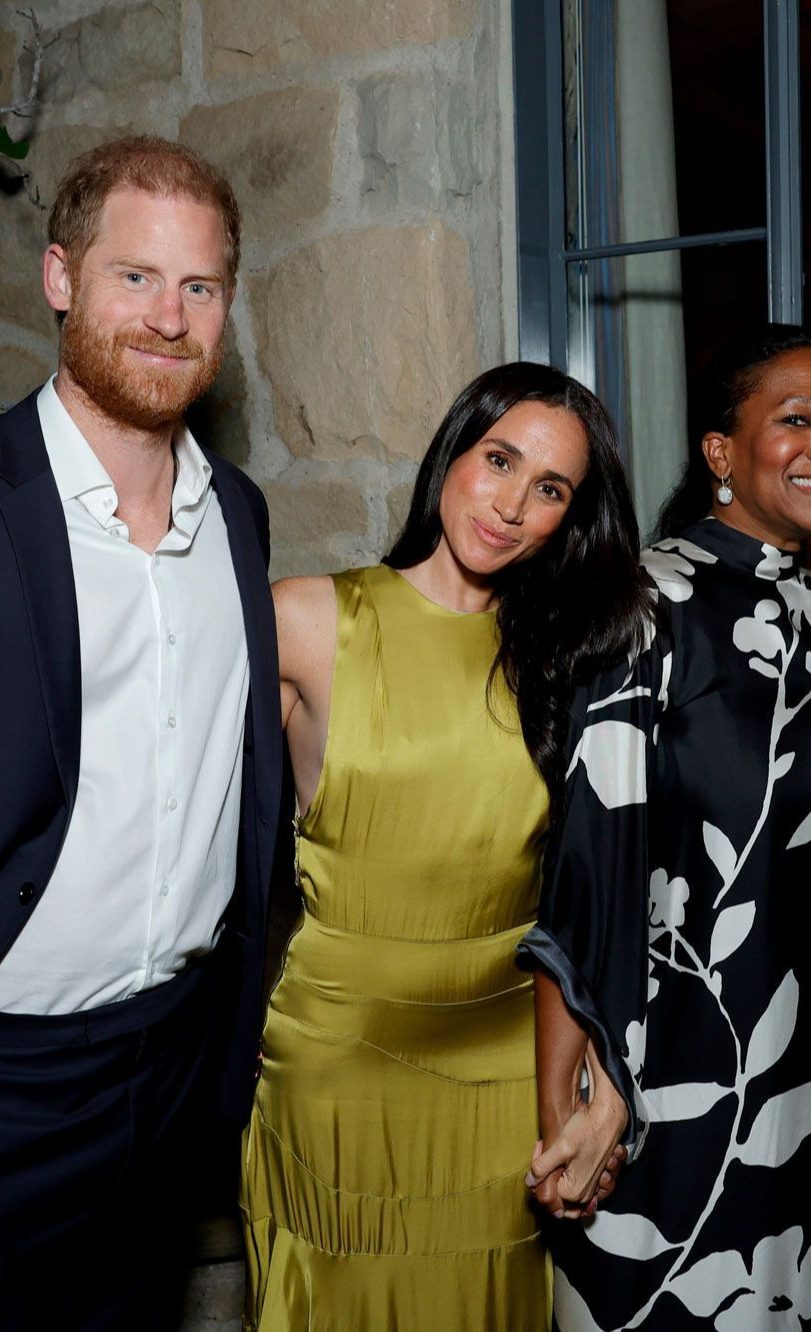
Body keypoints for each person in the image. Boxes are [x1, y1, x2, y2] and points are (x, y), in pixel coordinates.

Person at [522, 327, 811, 1330]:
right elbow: (591, 867)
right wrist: (569, 1097)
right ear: (720, 451)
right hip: (685, 1080)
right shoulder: (639, 605)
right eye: (795, 420)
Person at [240, 362, 648, 1330]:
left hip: (503, 1071)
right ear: (450, 456)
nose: (510, 505)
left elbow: (605, 885)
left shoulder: (573, 661)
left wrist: (595, 1068)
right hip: (337, 1062)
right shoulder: (303, 619)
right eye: (498, 460)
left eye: (548, 489)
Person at [0, 137, 281, 1330]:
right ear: (62, 278)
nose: (169, 319)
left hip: (172, 1068)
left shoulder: (242, 519)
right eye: (135, 278)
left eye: (200, 287)